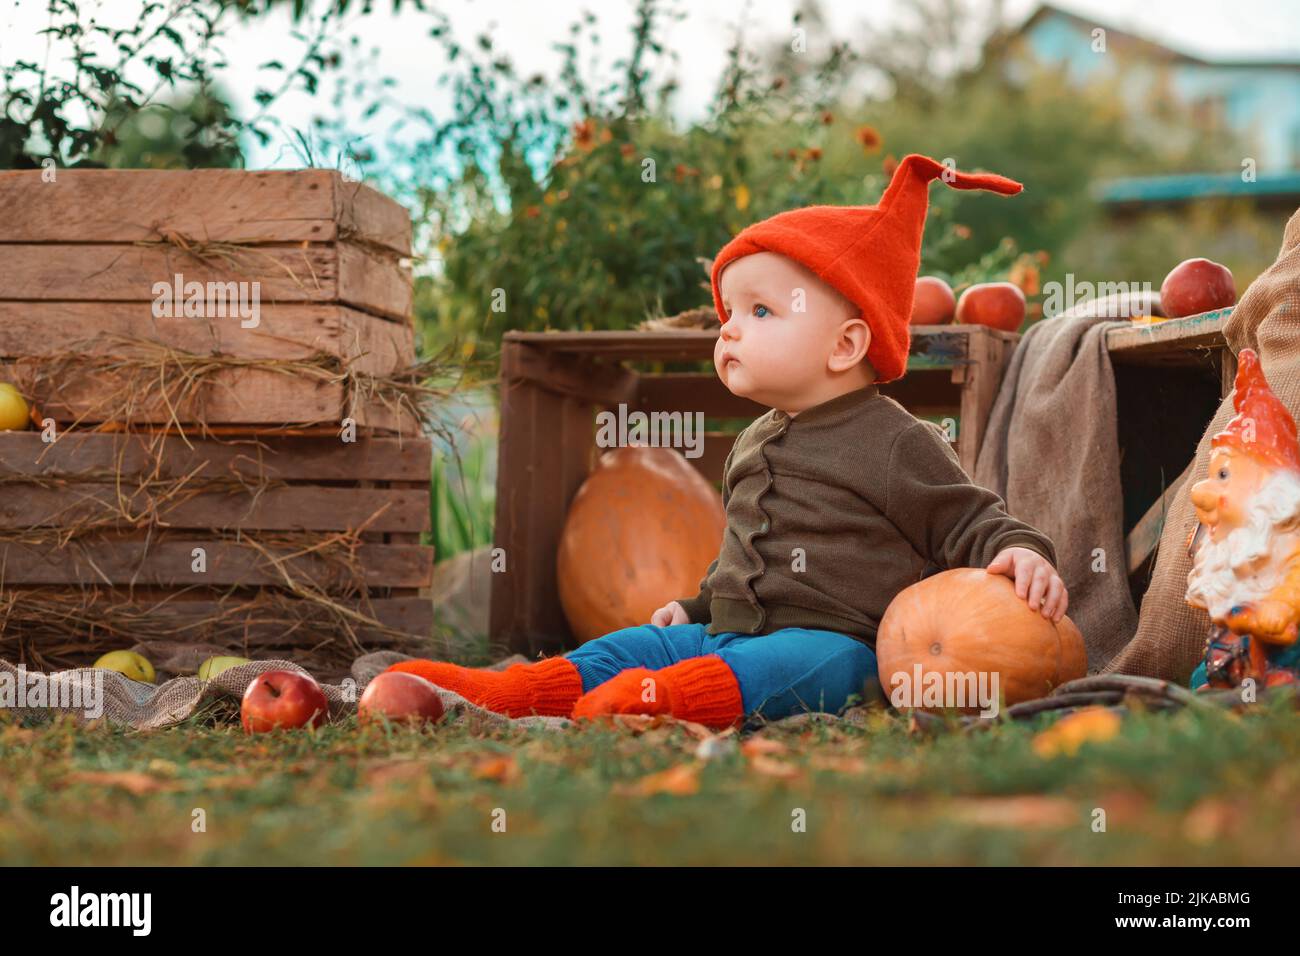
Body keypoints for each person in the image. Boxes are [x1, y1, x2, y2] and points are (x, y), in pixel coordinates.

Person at [392, 154, 1068, 730]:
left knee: (779, 666)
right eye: (728, 315)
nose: (730, 331)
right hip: (730, 630)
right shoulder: (754, 441)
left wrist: (1019, 551)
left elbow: (970, 518)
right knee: (635, 644)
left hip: (842, 645)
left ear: (846, 344)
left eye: (760, 312)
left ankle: (670, 704)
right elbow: (738, 562)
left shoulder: (894, 439)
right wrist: (691, 607)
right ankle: (517, 691)